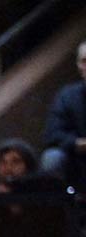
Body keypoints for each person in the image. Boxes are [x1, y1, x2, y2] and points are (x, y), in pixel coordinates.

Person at [40, 39, 86, 186]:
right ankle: (55, 207)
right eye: (85, 61)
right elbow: (52, 134)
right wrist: (78, 143)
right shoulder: (67, 96)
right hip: (78, 158)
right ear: (79, 65)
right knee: (52, 158)